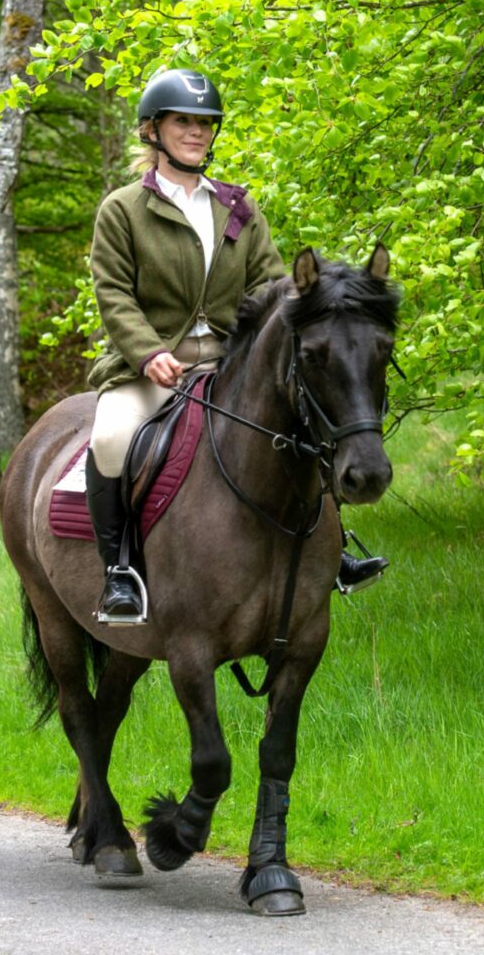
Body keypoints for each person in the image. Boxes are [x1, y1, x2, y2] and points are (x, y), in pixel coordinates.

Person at [85, 69, 388, 626]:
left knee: (310, 421)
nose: (197, 132)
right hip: (153, 371)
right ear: (152, 130)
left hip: (231, 366)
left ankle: (334, 548)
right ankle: (120, 571)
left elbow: (271, 288)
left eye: (205, 124)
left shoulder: (239, 207)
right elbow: (113, 293)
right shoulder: (123, 210)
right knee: (109, 437)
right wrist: (148, 352)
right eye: (184, 122)